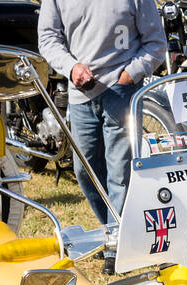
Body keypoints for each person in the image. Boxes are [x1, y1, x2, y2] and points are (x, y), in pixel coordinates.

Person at [37, 0, 166, 228]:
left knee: (120, 174)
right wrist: (71, 67)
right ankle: (111, 229)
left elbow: (156, 43)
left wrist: (130, 73)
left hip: (122, 92)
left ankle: (115, 243)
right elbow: (48, 38)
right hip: (80, 95)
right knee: (85, 171)